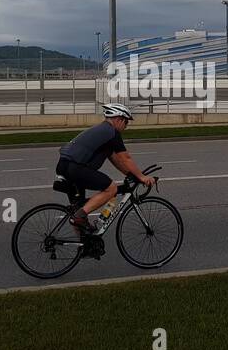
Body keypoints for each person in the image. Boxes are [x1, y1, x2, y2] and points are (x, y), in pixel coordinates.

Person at [56, 103, 154, 255]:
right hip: (76, 168)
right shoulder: (111, 132)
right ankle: (79, 217)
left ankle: (85, 246)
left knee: (79, 209)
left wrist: (130, 175)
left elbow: (115, 159)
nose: (126, 126)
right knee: (111, 188)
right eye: (126, 122)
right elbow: (125, 157)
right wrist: (141, 176)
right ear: (119, 119)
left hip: (64, 166)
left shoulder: (102, 132)